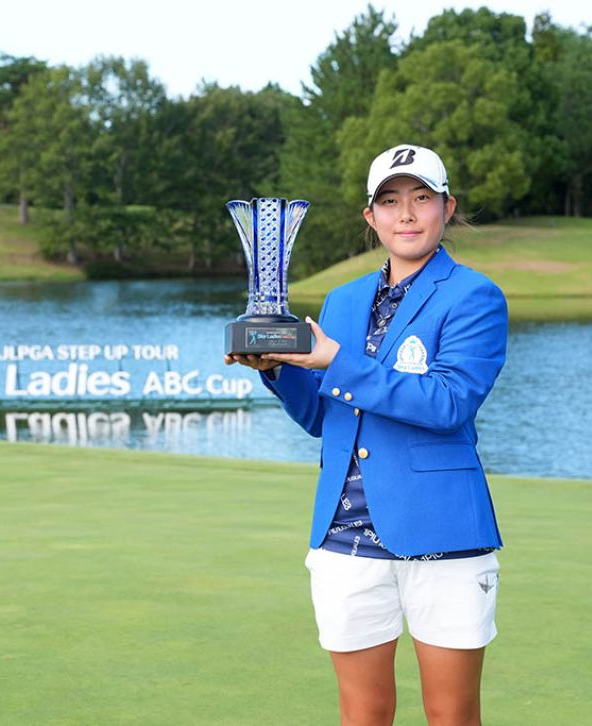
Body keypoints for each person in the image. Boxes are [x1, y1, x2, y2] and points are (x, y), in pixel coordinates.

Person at [226, 144, 508, 726]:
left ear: (447, 208)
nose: (406, 214)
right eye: (391, 200)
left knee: (451, 715)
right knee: (363, 715)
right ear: (370, 217)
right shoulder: (344, 300)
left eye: (422, 198)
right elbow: (324, 418)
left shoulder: (474, 295)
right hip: (345, 536)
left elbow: (449, 402)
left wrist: (335, 360)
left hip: (442, 533)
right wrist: (276, 369)